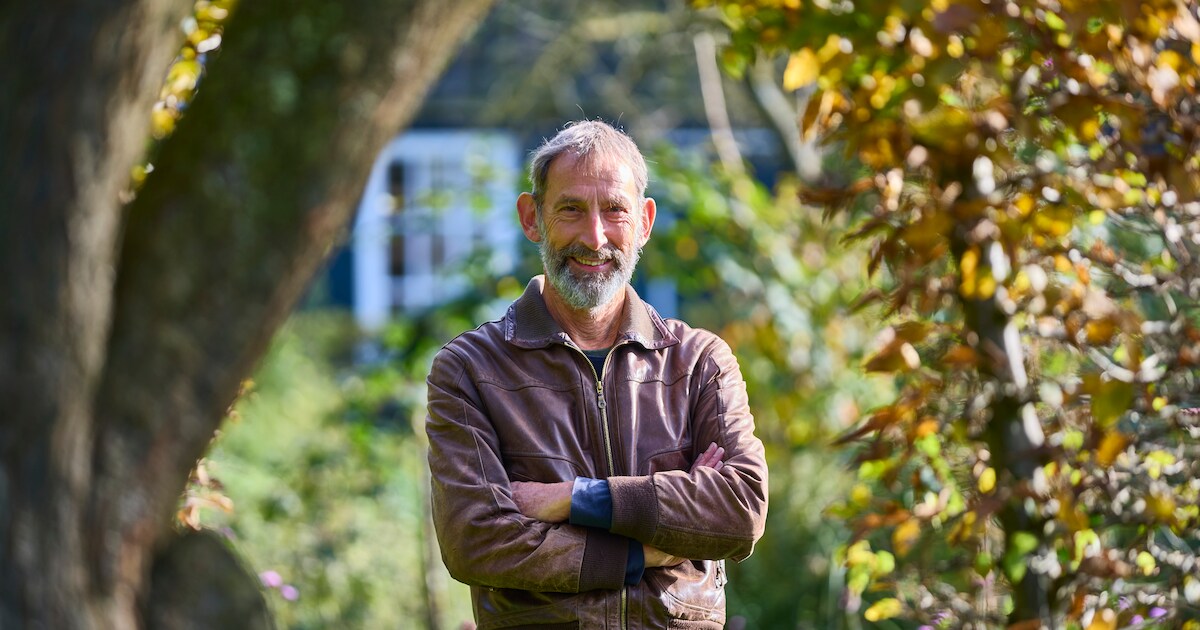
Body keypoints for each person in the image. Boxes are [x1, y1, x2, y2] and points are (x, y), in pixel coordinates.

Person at [425, 120, 768, 629]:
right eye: (570, 209)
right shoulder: (471, 368)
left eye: (614, 210)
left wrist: (573, 499)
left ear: (644, 222)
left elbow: (739, 511)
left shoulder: (699, 362)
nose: (594, 237)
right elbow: (476, 541)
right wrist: (642, 551)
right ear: (532, 218)